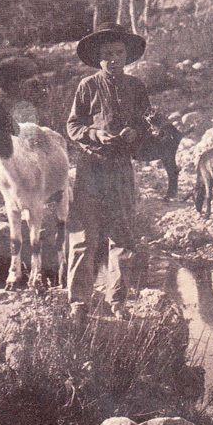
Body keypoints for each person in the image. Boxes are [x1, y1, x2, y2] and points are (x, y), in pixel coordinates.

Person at [66, 22, 151, 321]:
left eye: (118, 52)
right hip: (92, 167)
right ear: (98, 59)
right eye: (107, 54)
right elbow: (72, 125)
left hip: (120, 169)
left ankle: (118, 299)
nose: (113, 59)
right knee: (84, 236)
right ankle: (78, 301)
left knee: (123, 236)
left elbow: (146, 123)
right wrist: (94, 134)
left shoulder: (137, 88)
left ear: (127, 55)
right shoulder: (87, 86)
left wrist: (134, 132)